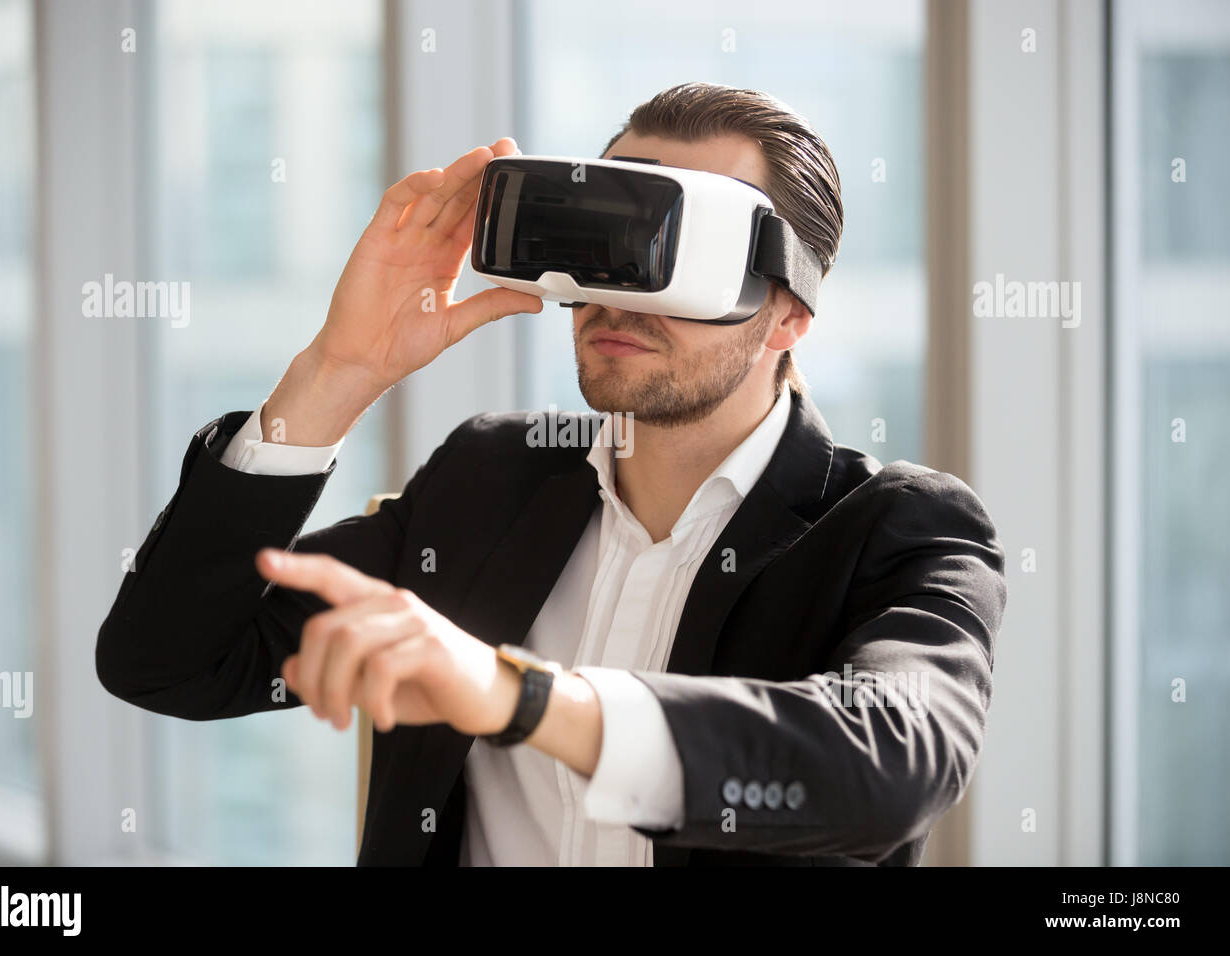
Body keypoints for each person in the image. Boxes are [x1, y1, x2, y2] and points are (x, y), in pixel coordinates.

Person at [96, 81, 1007, 867]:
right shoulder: (489, 485)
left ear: (787, 316)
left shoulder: (899, 530)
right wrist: (342, 369)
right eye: (611, 240)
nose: (619, 294)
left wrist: (515, 694)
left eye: (676, 256)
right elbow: (168, 664)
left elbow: (888, 769)